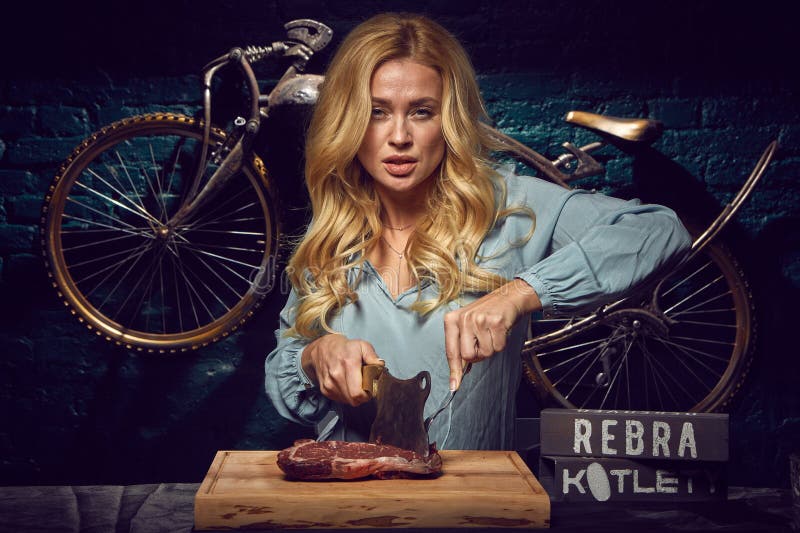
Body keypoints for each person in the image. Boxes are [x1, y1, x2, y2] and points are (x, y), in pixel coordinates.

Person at [264, 13, 691, 450]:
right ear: (350, 121)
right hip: (347, 490)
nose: (399, 136)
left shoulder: (510, 207)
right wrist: (314, 358)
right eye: (377, 112)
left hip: (478, 489)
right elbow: (283, 381)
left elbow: (661, 230)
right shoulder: (333, 230)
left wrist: (520, 293)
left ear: (448, 120)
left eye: (422, 112)